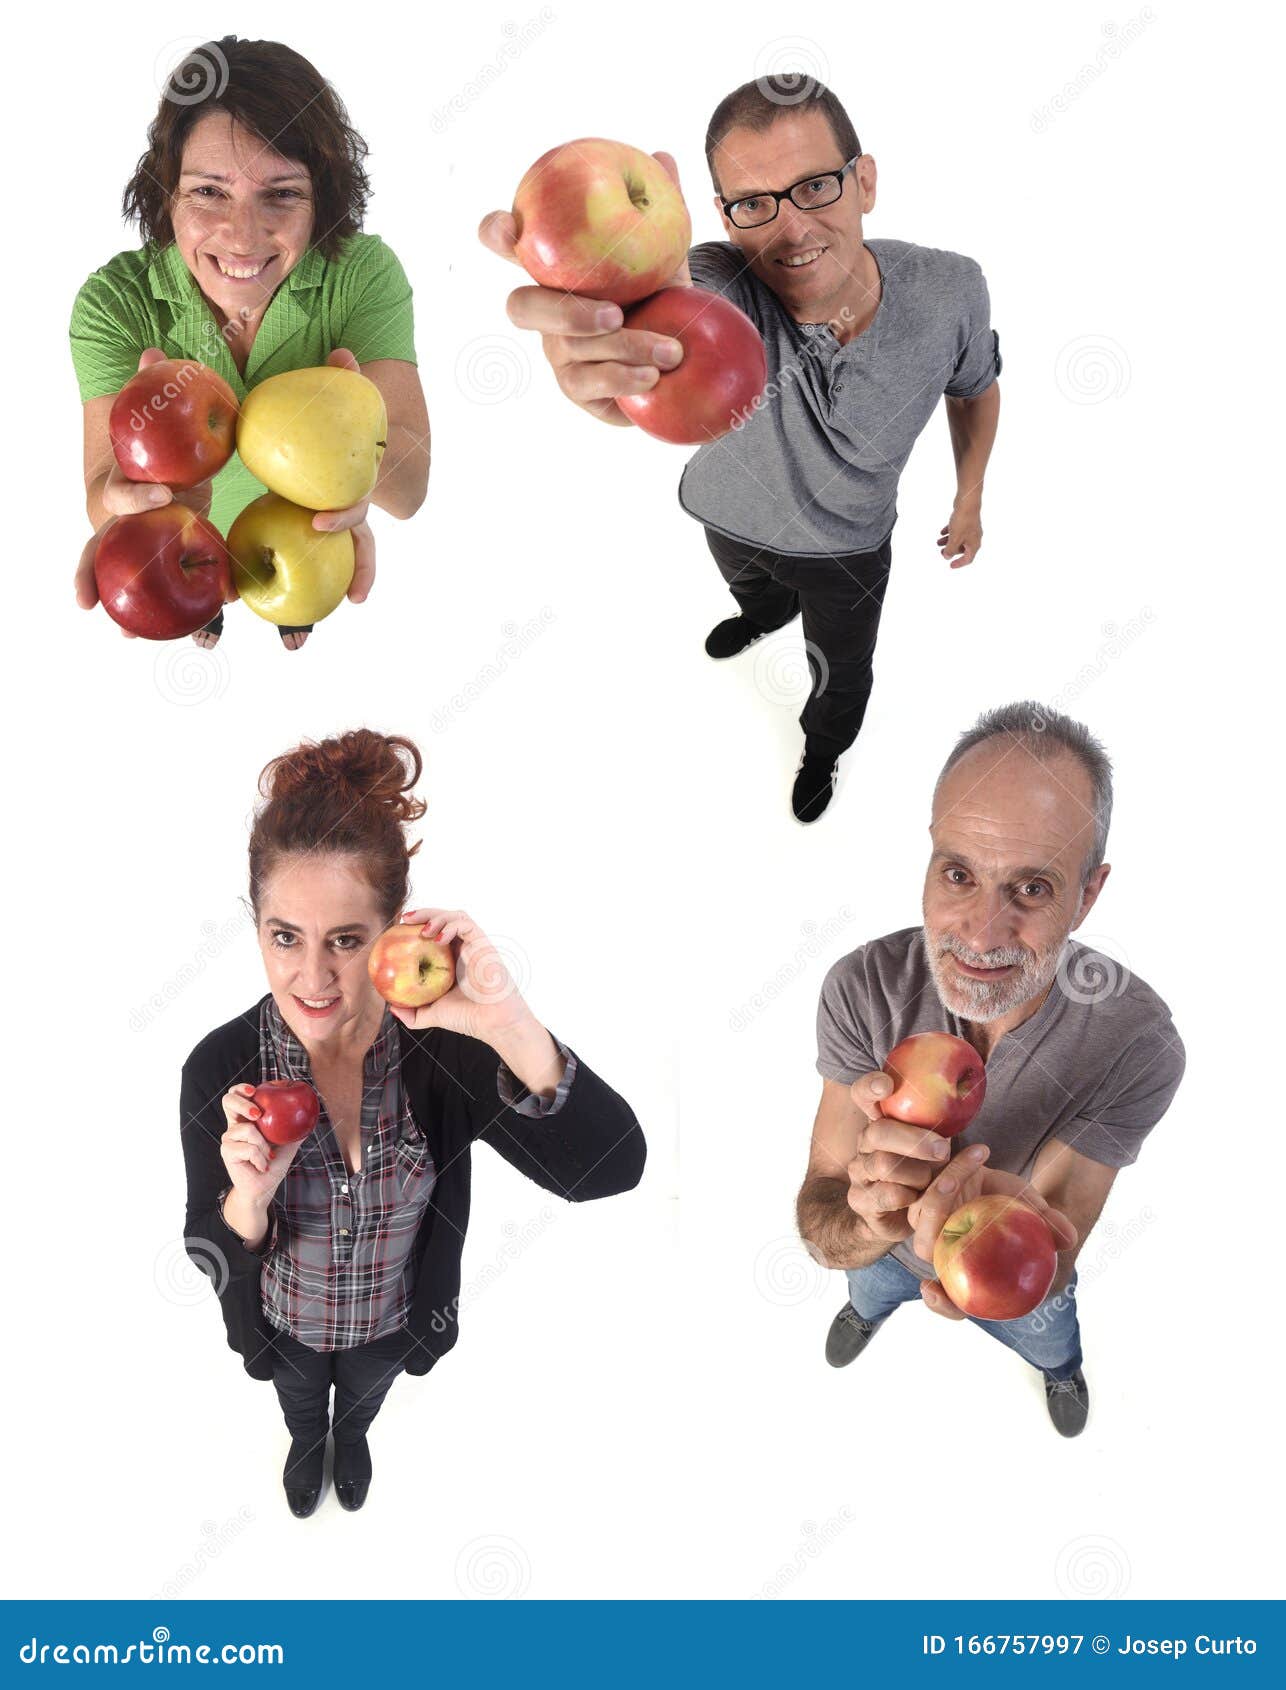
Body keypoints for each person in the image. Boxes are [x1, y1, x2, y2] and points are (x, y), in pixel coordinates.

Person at [479, 76, 1000, 820]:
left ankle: (823, 750)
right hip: (729, 512)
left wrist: (971, 496)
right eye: (755, 204)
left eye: (816, 186)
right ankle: (762, 615)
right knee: (752, 591)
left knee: (842, 674)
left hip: (849, 553)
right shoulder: (722, 286)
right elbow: (678, 303)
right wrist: (618, 322)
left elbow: (975, 386)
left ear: (866, 182)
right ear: (723, 215)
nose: (791, 230)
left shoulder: (953, 290)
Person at [180, 729, 646, 1516]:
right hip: (282, 1326)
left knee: (362, 1401)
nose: (313, 976)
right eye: (284, 936)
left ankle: (351, 1440)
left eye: (348, 940)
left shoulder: (443, 1057)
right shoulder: (219, 1066)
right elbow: (204, 1243)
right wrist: (249, 1202)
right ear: (254, 922)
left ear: (395, 926)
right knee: (301, 1401)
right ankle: (305, 1443)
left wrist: (509, 1024)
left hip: (392, 1326)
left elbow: (607, 1169)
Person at [797, 702, 1185, 1436]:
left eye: (1032, 888)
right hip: (880, 1256)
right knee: (867, 1284)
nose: (981, 932)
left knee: (1046, 1326)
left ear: (1087, 894)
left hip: (1013, 1280)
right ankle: (864, 1313)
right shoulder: (862, 987)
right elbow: (820, 1221)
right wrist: (869, 1216)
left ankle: (1060, 1370)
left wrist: (1027, 1239)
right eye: (958, 874)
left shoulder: (1138, 1041)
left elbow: (1062, 1241)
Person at [71, 36, 430, 650]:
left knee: (294, 597)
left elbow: (410, 483)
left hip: (303, 535)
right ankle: (210, 606)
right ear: (168, 195)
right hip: (185, 545)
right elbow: (105, 489)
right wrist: (132, 518)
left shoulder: (361, 274)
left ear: (323, 202)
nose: (242, 237)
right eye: (209, 191)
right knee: (203, 590)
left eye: (282, 193)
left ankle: (288, 609)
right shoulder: (114, 303)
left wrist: (355, 484)